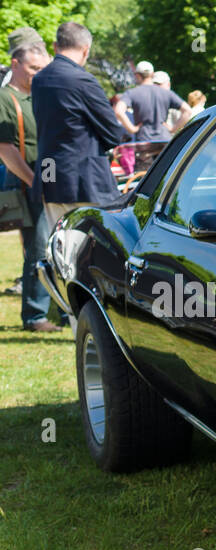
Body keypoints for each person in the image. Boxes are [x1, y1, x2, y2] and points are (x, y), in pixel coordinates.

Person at [30, 22, 122, 229]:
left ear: (55, 46)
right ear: (85, 50)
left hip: (49, 176)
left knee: (59, 250)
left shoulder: (39, 79)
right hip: (83, 181)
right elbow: (113, 132)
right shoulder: (82, 80)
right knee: (92, 252)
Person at [0, 28, 55, 331]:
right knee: (37, 248)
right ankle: (35, 316)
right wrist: (36, 182)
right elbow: (6, 149)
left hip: (46, 182)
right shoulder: (6, 99)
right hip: (28, 184)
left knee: (52, 245)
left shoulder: (41, 96)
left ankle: (52, 307)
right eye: (34, 69)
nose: (39, 74)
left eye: (43, 68)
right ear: (15, 63)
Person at [114, 60, 189, 144]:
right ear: (152, 74)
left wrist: (132, 129)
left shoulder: (131, 93)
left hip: (144, 142)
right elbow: (187, 111)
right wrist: (173, 129)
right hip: (164, 141)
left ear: (137, 75)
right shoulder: (166, 93)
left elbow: (118, 111)